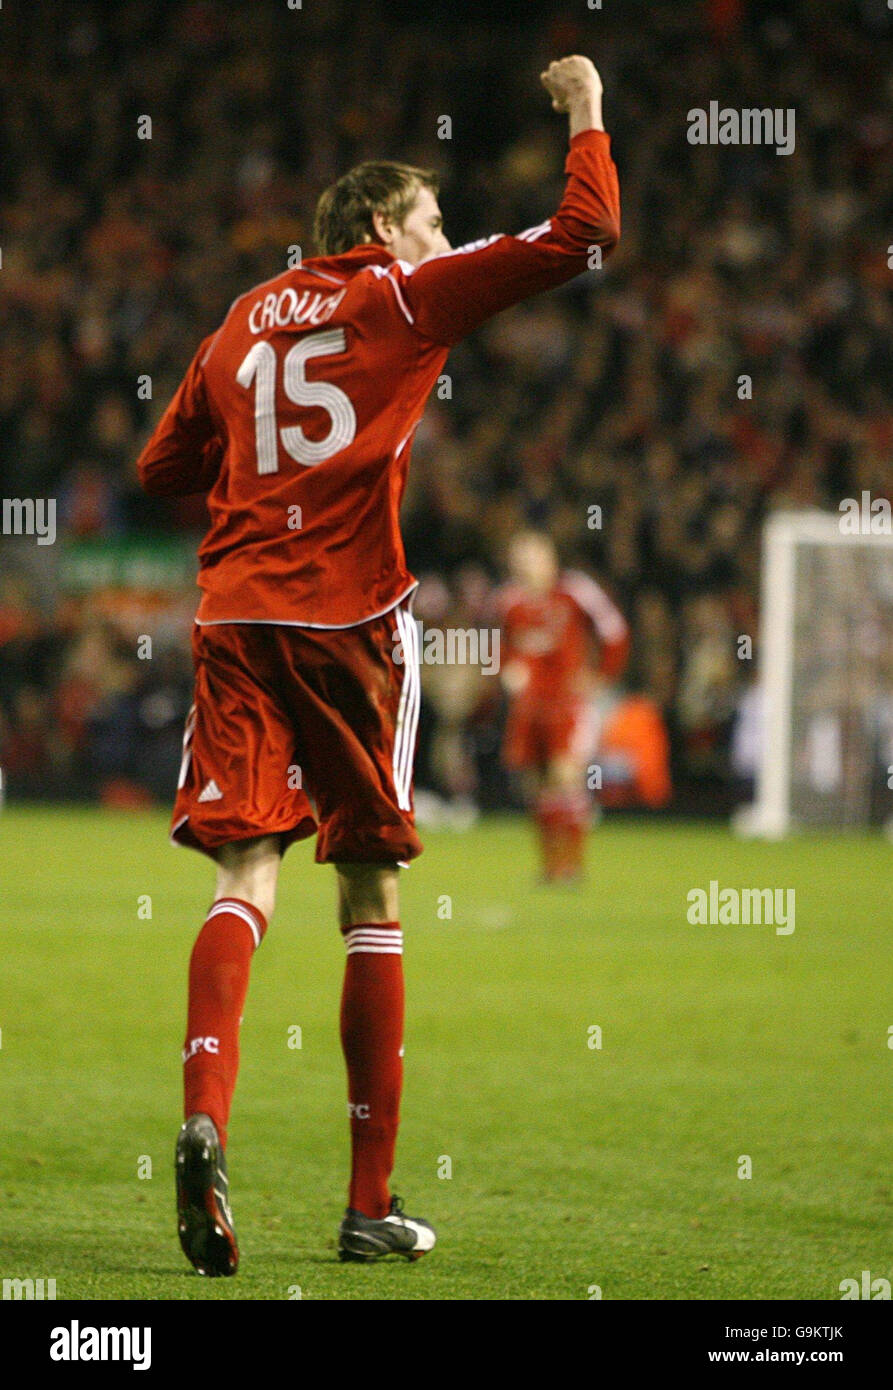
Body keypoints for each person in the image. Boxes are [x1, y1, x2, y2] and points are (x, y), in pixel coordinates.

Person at [136, 55, 620, 1275]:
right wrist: (585, 110)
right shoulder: (400, 298)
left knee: (242, 874)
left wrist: (260, 477)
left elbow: (157, 472)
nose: (441, 236)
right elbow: (580, 233)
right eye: (430, 219)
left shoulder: (238, 320)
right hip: (350, 622)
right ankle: (366, 1204)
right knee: (370, 894)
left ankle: (205, 1116)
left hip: (233, 618)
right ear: (372, 226)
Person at [499, 531, 629, 881]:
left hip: (567, 702)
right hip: (528, 707)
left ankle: (572, 865)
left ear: (550, 558)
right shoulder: (510, 601)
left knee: (565, 776)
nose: (525, 565)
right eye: (519, 558)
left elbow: (614, 630)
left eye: (532, 556)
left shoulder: (574, 590)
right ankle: (550, 866)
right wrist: (506, 667)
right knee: (535, 785)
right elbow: (498, 645)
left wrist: (602, 676)